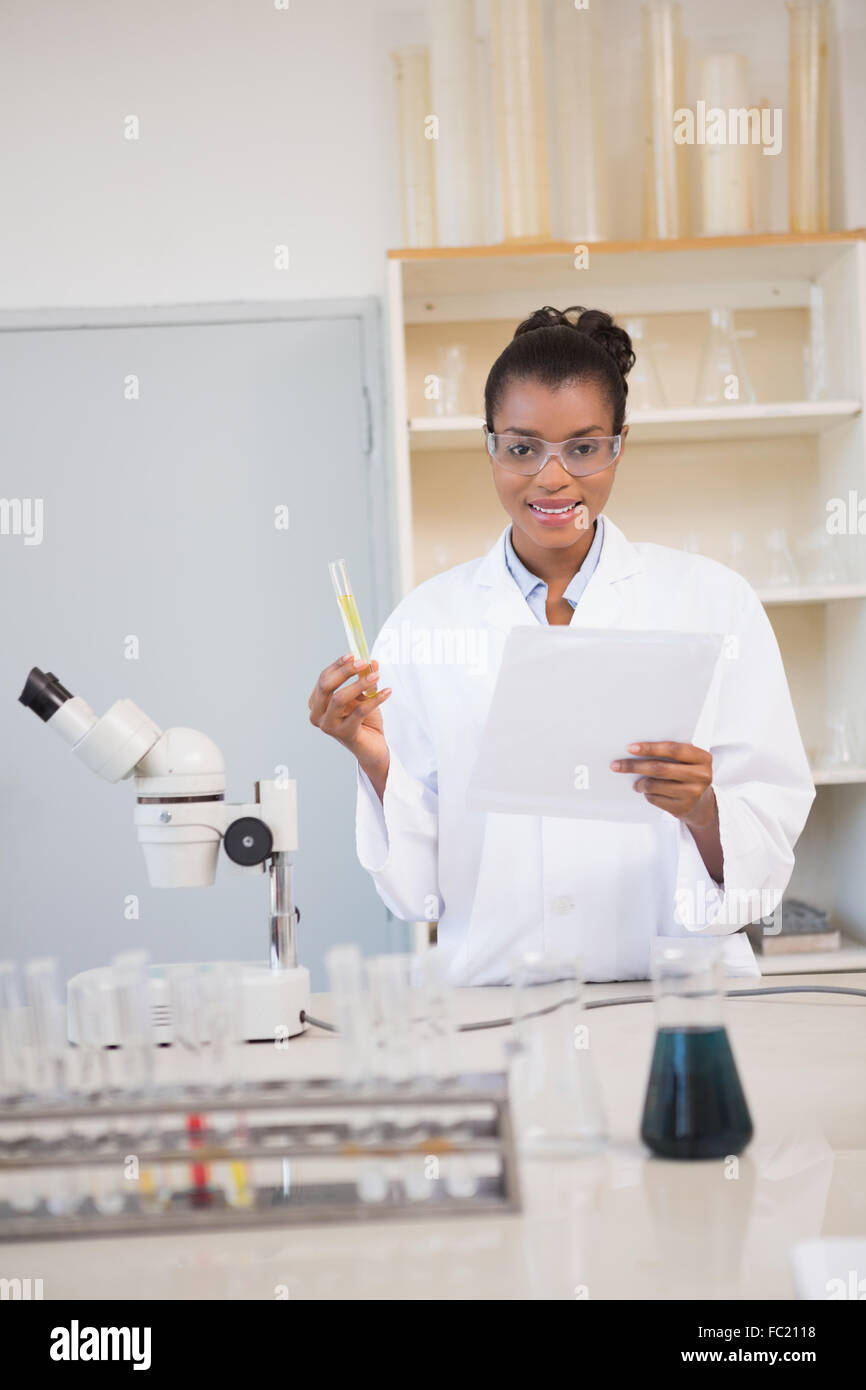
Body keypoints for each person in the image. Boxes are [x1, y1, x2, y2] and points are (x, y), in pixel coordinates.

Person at [308, 306, 815, 984]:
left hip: (681, 1004)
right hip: (498, 1001)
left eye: (583, 447)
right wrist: (374, 762)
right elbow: (416, 894)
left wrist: (705, 810)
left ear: (619, 444)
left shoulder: (715, 604)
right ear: (490, 446)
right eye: (522, 448)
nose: (553, 479)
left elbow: (765, 854)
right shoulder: (426, 622)